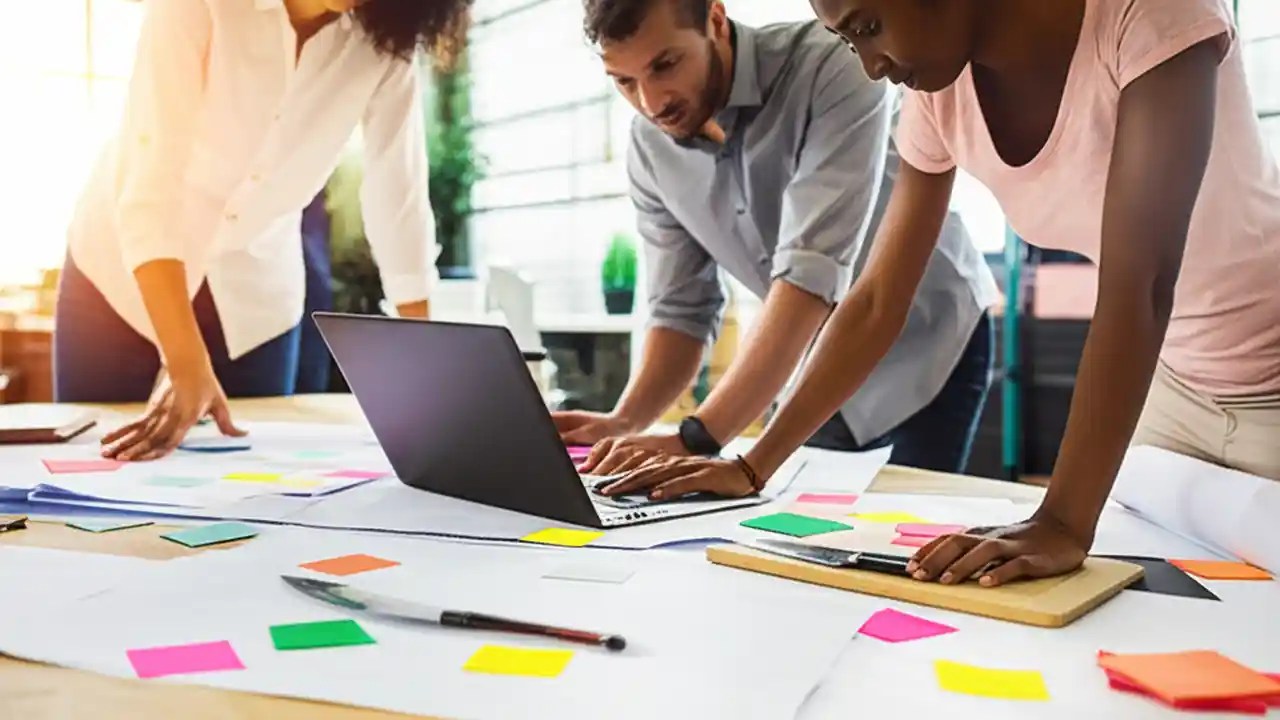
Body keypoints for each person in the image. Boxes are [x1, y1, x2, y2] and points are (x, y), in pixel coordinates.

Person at [605, 0, 1280, 586]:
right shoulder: (936, 92)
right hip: (1171, 389)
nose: (870, 64)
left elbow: (1144, 280)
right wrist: (752, 465)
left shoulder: (1146, 13)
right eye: (847, 38)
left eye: (870, 25)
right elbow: (874, 302)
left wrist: (1062, 518)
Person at [555, 0, 1000, 478]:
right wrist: (625, 421)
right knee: (802, 532)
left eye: (666, 64)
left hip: (930, 338)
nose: (651, 101)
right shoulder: (649, 149)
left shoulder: (834, 60)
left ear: (716, 21)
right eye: (624, 81)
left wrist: (699, 437)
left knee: (896, 534)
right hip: (813, 360)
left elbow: (810, 272)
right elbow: (681, 310)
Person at [54, 0, 466, 460]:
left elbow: (399, 198)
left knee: (250, 487)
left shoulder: (387, 45)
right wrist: (184, 357)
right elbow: (151, 177)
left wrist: (431, 379)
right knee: (93, 468)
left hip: (255, 296)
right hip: (121, 278)